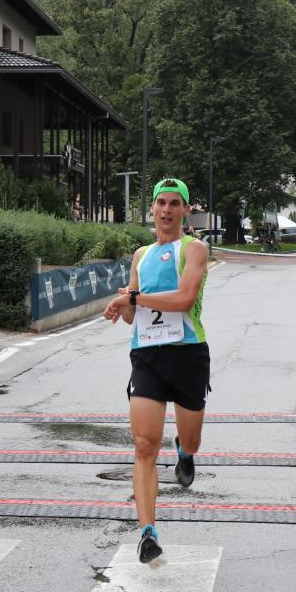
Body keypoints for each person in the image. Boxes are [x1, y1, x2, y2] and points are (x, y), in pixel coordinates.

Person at [103, 178, 211, 566]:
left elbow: (184, 299)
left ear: (185, 210)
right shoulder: (141, 254)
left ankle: (185, 450)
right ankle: (148, 533)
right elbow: (134, 312)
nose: (166, 210)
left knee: (192, 439)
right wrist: (123, 304)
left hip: (187, 356)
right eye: (160, 204)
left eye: (174, 204)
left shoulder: (194, 248)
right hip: (146, 356)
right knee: (144, 446)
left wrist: (133, 297)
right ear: (151, 210)